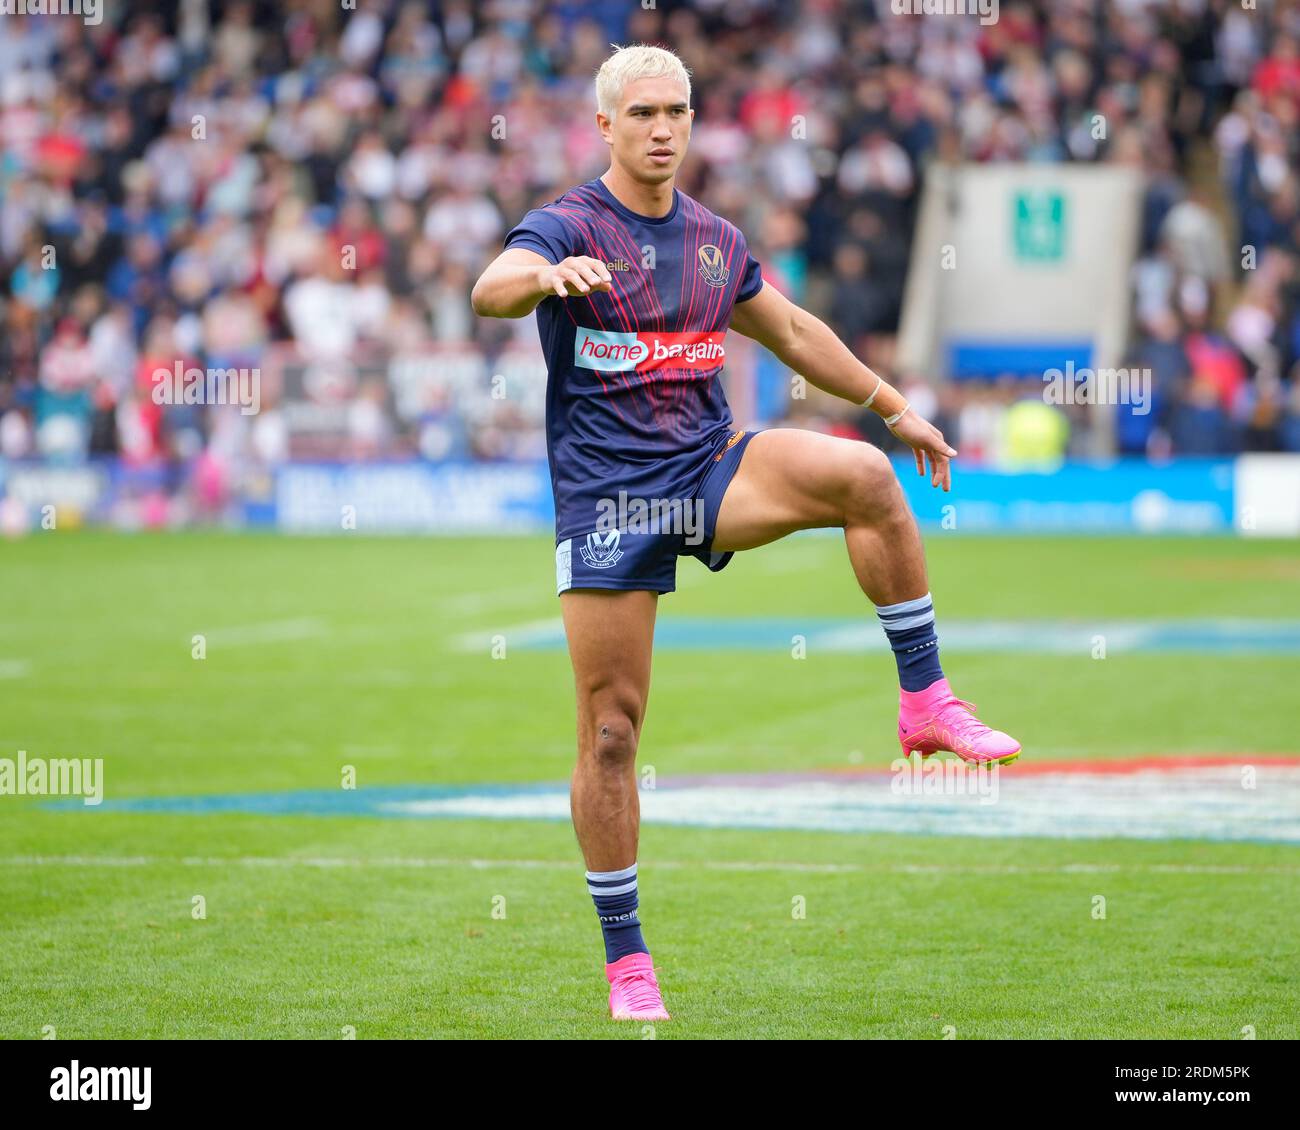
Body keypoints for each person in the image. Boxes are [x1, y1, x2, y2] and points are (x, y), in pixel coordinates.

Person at [470, 44, 1021, 1024]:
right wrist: (545, 277)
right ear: (604, 126)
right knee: (609, 734)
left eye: (675, 111)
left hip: (706, 467)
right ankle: (626, 958)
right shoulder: (565, 224)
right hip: (608, 500)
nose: (660, 128)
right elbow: (492, 287)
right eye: (640, 113)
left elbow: (797, 334)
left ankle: (926, 698)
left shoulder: (716, 242)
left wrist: (894, 405)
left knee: (863, 475)